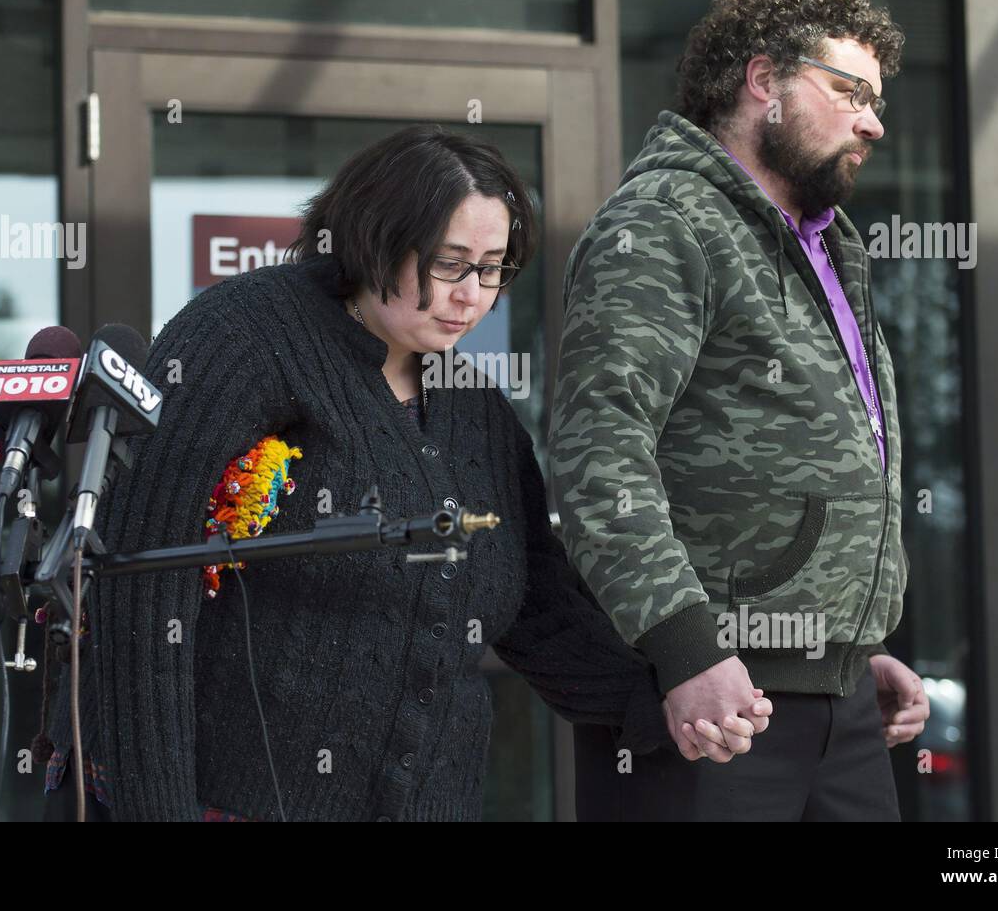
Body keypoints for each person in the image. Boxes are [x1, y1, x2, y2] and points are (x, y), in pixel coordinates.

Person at [35, 124, 686, 822]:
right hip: (228, 802)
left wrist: (669, 700)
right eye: (449, 263)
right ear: (377, 238)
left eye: (493, 267)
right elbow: (140, 597)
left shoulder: (477, 412)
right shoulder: (240, 339)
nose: (473, 294)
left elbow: (531, 600)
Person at [548, 0, 928, 821]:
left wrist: (847, 648)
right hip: (708, 704)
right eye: (849, 90)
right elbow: (598, 452)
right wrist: (686, 650)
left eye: (877, 99)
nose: (872, 119)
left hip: (837, 706)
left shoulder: (828, 245)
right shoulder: (663, 223)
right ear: (764, 81)